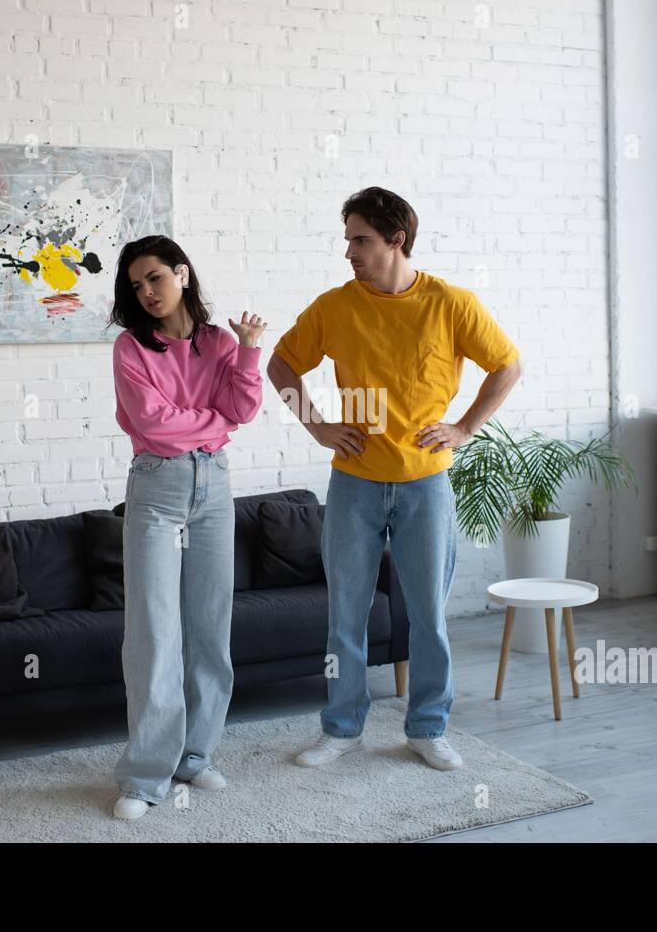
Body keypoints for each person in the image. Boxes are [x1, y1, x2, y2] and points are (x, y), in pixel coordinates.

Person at [267, 187, 521, 771]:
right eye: (348, 239)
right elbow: (279, 363)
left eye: (360, 239)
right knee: (346, 615)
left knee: (428, 615)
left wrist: (464, 427)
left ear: (395, 239)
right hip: (354, 482)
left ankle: (428, 727)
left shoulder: (451, 303)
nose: (349, 252)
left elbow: (507, 364)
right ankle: (342, 728)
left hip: (425, 483)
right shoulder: (335, 306)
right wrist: (319, 428)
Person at [107, 235, 266, 820]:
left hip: (215, 488)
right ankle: (146, 776)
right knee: (153, 631)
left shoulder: (220, 342)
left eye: (154, 278)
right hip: (156, 488)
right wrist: (212, 419)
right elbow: (153, 421)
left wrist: (248, 352)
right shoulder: (130, 348)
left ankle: (194, 755)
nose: (146, 292)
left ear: (182, 273)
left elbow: (244, 409)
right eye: (135, 285)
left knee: (208, 626)